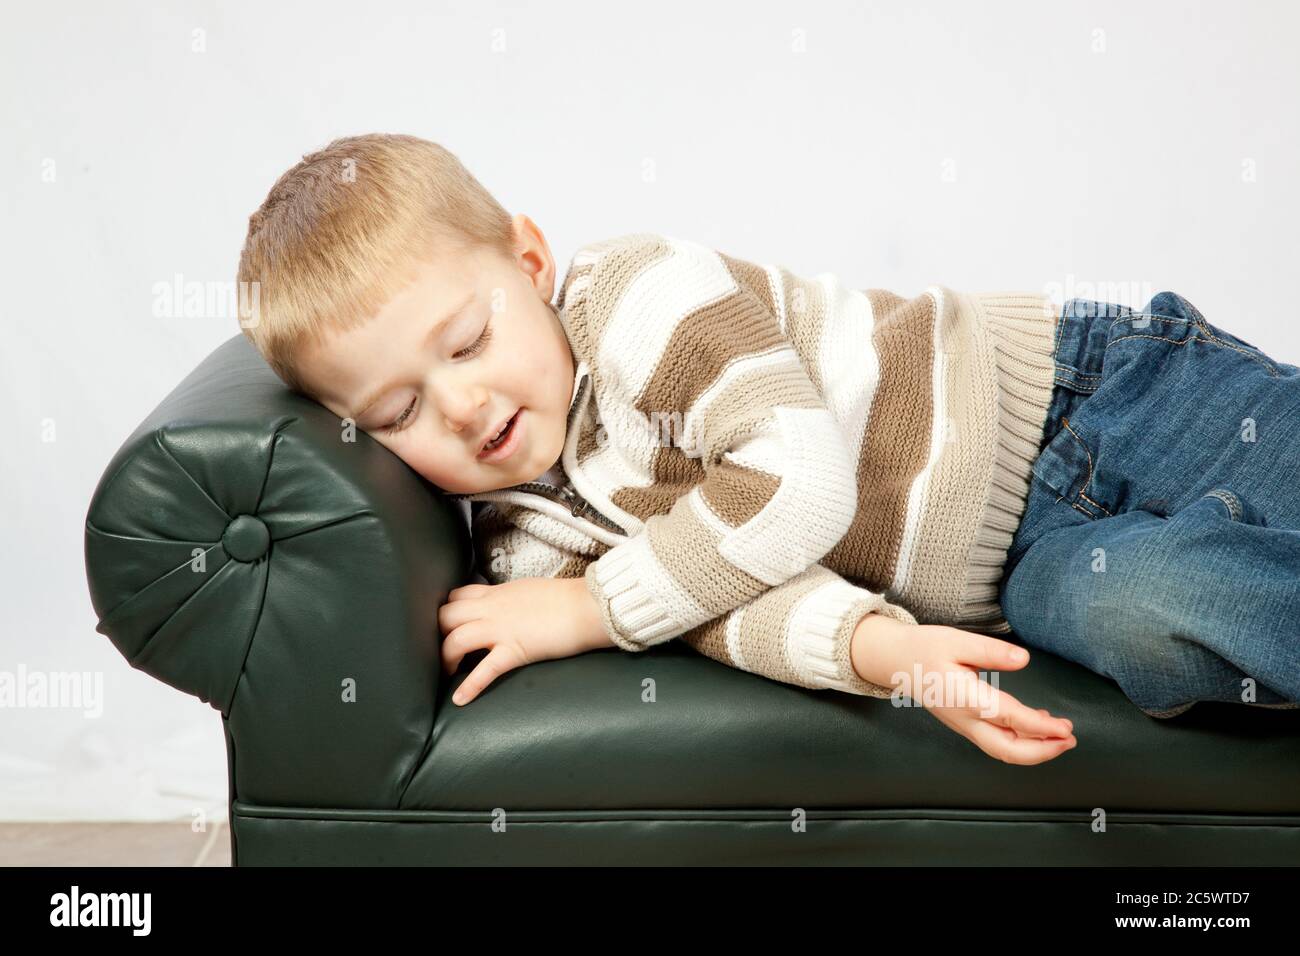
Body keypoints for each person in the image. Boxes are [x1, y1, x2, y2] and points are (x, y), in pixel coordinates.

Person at [232, 133, 1294, 765]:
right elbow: (724, 600)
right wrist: (893, 654)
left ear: (529, 259)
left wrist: (595, 609)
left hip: (1094, 397)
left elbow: (798, 482)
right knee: (1159, 620)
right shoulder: (527, 549)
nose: (460, 404)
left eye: (467, 341)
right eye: (401, 410)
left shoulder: (637, 297)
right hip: (1027, 573)